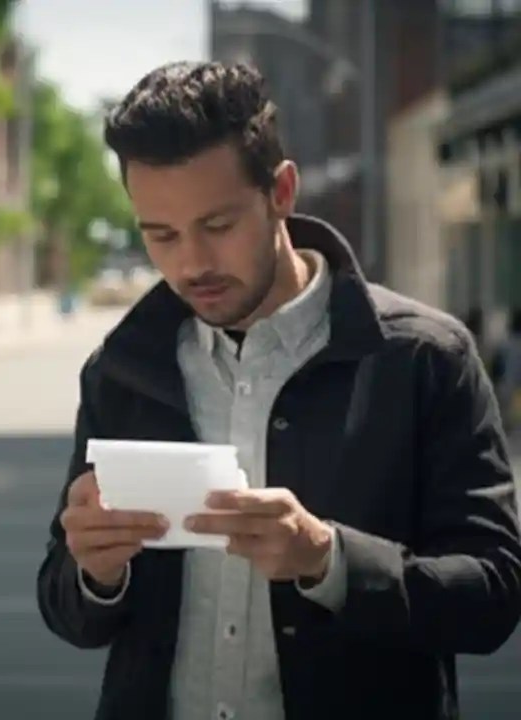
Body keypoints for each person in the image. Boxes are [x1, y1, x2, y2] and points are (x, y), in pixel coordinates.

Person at [36, 61, 521, 720]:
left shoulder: (424, 360)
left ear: (282, 191)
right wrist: (96, 573)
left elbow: (494, 596)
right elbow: (68, 611)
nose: (192, 263)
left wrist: (329, 559)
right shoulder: (122, 369)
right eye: (162, 236)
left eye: (218, 225)